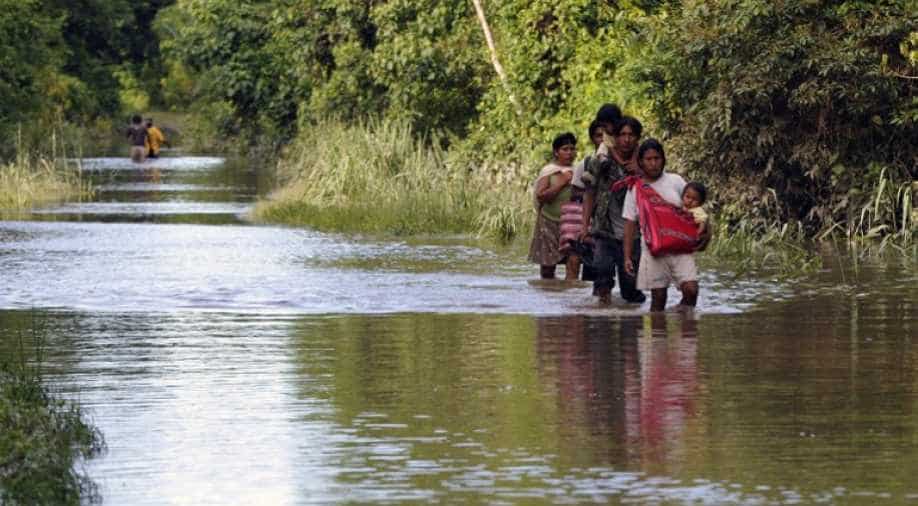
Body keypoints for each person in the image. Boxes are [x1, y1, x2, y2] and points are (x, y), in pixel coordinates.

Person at [623, 139, 710, 312]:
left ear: (663, 159)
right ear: (640, 162)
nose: (654, 163)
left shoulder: (675, 181)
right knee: (658, 298)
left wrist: (707, 231)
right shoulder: (635, 189)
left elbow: (695, 206)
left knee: (691, 290)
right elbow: (629, 222)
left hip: (681, 246)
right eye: (649, 159)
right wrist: (626, 256)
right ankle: (659, 337)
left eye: (657, 158)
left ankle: (686, 330)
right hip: (653, 248)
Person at [580, 116, 646, 305]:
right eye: (622, 135)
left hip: (633, 232)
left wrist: (639, 172)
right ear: (615, 138)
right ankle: (603, 320)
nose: (627, 139)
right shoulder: (602, 160)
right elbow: (590, 192)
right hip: (604, 228)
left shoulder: (645, 161)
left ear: (637, 138)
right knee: (602, 276)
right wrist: (584, 227)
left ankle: (633, 321)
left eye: (631, 135)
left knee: (630, 290)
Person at [529, 132, 578, 279]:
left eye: (572, 149)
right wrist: (562, 182)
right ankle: (550, 296)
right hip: (548, 222)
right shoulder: (549, 171)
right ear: (556, 152)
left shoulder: (577, 171)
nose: (569, 153)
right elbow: (541, 197)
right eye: (565, 149)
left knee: (573, 264)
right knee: (547, 269)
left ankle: (570, 296)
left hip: (572, 224)